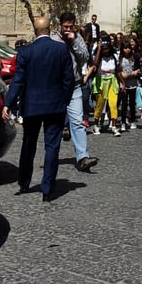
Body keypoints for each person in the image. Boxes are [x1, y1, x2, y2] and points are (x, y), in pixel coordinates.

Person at [2, 17, 75, 202]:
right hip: (55, 105)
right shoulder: (61, 49)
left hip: (32, 105)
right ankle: (47, 188)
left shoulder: (26, 52)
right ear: (49, 29)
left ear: (35, 31)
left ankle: (24, 181)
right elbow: (69, 80)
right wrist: (64, 100)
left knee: (29, 144)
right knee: (52, 147)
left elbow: (18, 80)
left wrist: (8, 103)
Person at [49, 12, 98, 173]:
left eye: (70, 27)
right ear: (60, 25)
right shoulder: (53, 39)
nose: (68, 30)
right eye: (65, 27)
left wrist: (74, 42)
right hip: (56, 87)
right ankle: (51, 156)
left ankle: (83, 157)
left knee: (77, 121)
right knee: (54, 123)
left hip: (74, 86)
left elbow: (85, 58)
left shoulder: (78, 38)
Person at [92, 35, 121, 136]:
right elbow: (94, 64)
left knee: (113, 104)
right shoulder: (98, 56)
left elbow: (118, 71)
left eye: (106, 48)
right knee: (100, 105)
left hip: (112, 81)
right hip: (101, 81)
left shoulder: (114, 56)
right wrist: (99, 49)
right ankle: (96, 124)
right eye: (103, 49)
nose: (105, 50)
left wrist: (123, 83)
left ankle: (114, 126)